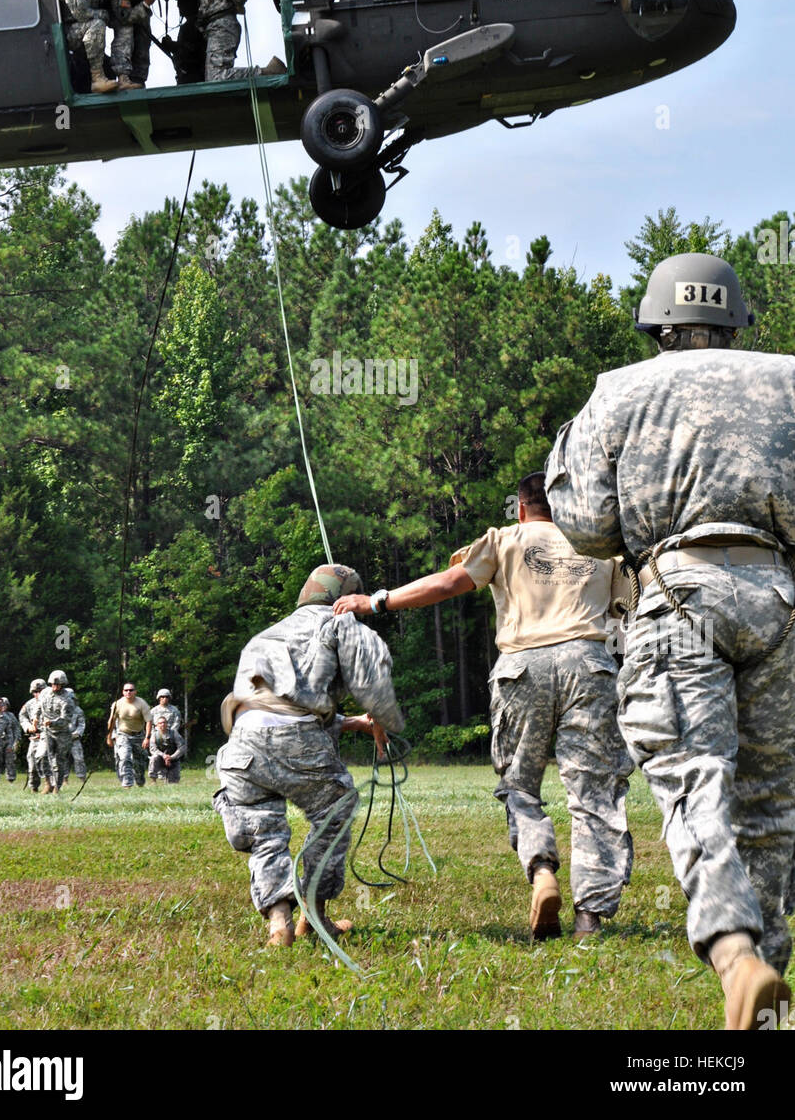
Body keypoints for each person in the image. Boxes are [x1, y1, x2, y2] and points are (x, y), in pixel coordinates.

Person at [545, 251, 795, 1030]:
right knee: (771, 810)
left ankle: (732, 953)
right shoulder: (790, 378)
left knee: (694, 782)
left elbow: (582, 527)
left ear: (657, 324)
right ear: (735, 320)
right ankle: (765, 1011)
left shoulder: (618, 390)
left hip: (676, 594)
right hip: (781, 599)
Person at [335, 473, 633, 940]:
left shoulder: (503, 540)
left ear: (520, 508)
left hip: (523, 667)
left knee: (519, 785)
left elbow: (449, 583)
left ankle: (542, 873)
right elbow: (630, 608)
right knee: (595, 792)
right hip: (590, 665)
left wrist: (376, 602)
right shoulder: (600, 547)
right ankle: (589, 918)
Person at [214, 563, 403, 947]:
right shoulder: (340, 622)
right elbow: (371, 677)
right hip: (293, 738)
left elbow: (278, 707)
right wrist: (385, 718)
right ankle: (314, 916)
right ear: (347, 600)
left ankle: (279, 921)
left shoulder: (262, 637)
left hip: (241, 746)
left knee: (265, 830)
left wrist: (354, 723)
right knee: (336, 809)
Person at [109, 0, 172, 90]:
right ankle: (123, 77)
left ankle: (139, 79)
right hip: (119, 14)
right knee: (126, 32)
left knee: (143, 37)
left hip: (141, 11)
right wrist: (145, 5)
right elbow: (124, 18)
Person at [58, 0, 117, 94]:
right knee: (97, 24)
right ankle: (98, 79)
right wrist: (104, 15)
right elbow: (81, 14)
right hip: (71, 32)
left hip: (88, 29)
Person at [35, 671, 75, 793]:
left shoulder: (67, 699)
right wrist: (35, 719)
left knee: (59, 761)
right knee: (41, 756)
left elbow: (66, 719)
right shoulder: (45, 693)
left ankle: (57, 786)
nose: (55, 687)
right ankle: (47, 782)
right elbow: (39, 706)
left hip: (62, 733)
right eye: (53, 684)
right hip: (46, 732)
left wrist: (52, 722)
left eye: (58, 684)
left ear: (63, 684)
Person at [107, 680, 151, 788]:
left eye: (131, 690)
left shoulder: (142, 703)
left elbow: (149, 721)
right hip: (123, 735)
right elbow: (111, 721)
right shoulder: (117, 704)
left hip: (138, 735)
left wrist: (147, 738)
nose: (128, 692)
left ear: (135, 692)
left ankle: (140, 782)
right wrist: (109, 736)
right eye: (126, 690)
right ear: (122, 692)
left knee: (139, 763)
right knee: (125, 758)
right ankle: (127, 784)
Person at [18, 679, 48, 793]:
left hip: (49, 736)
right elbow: (22, 716)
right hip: (35, 738)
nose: (38, 694)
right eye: (35, 691)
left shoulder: (52, 702)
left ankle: (50, 785)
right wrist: (28, 726)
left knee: (47, 761)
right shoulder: (29, 704)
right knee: (32, 763)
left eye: (40, 691)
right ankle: (33, 787)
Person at [148, 715, 186, 784]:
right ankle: (153, 780)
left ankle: (169, 776)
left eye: (164, 722)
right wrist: (164, 756)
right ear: (157, 725)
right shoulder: (154, 735)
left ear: (167, 724)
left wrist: (171, 757)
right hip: (160, 759)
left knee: (173, 783)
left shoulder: (174, 733)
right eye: (160, 723)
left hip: (173, 760)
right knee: (154, 758)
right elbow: (153, 749)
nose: (162, 724)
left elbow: (182, 747)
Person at [65, 687, 87, 786]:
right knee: (63, 760)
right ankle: (64, 780)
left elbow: (82, 724)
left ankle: (82, 779)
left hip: (75, 739)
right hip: (62, 739)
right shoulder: (59, 708)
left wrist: (77, 734)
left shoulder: (78, 710)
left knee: (79, 759)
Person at [0, 698, 21, 784]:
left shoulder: (11, 716)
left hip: (9, 741)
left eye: (5, 705)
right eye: (2, 704)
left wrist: (17, 740)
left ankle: (11, 779)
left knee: (10, 761)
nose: (3, 707)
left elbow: (16, 728)